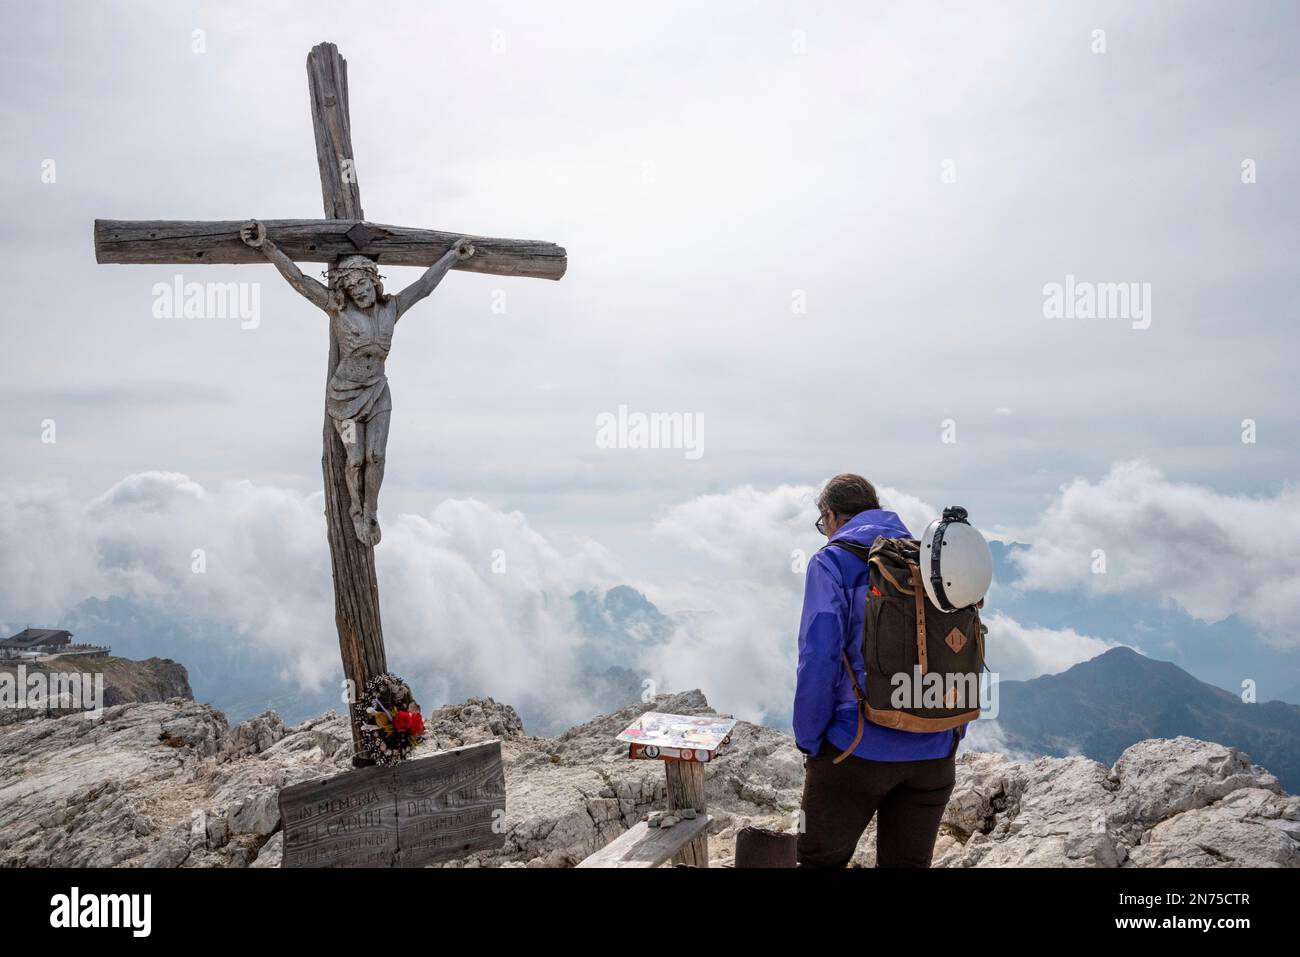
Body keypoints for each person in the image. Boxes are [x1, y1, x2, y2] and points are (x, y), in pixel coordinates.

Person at [794, 473, 964, 867]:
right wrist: (950, 728)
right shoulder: (930, 558)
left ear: (831, 515)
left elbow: (819, 656)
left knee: (818, 861)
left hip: (856, 747)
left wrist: (812, 740)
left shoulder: (831, 562)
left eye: (823, 524)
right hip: (935, 751)